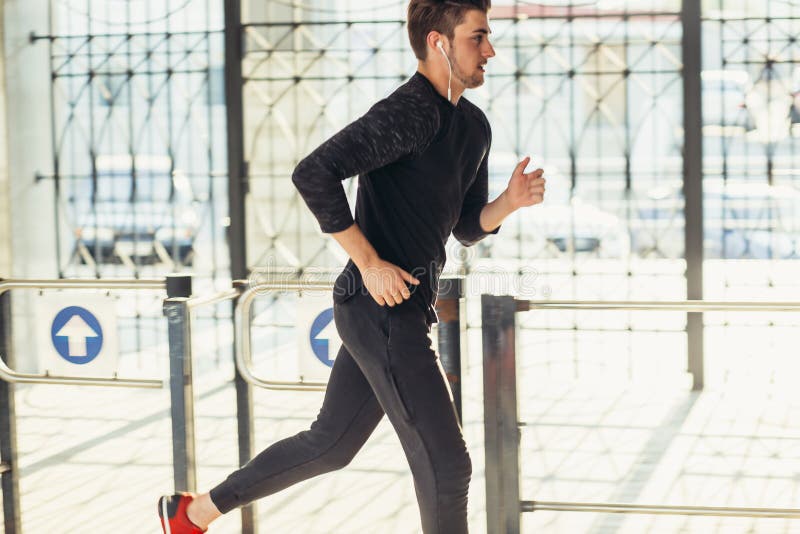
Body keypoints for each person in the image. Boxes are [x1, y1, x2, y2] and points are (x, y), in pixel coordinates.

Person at [158, 0, 545, 532]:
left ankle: (191, 513)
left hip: (401, 313)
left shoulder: (473, 127)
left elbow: (465, 227)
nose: (490, 50)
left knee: (331, 444)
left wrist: (510, 202)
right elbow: (314, 173)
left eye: (488, 35)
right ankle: (193, 513)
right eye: (477, 37)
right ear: (438, 43)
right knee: (448, 465)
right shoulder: (409, 112)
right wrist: (369, 262)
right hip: (379, 310)